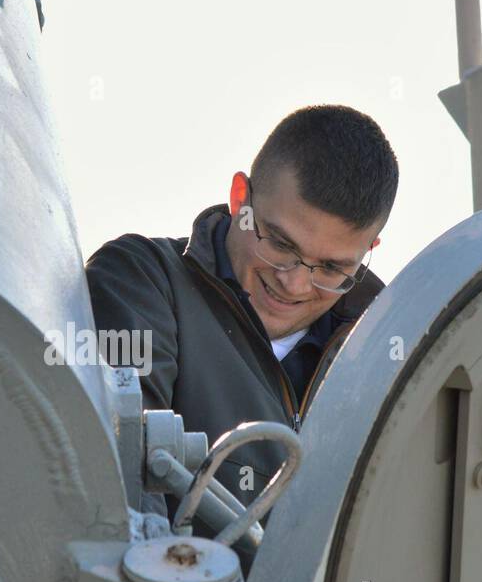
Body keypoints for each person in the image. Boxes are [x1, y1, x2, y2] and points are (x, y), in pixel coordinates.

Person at [85, 104, 398, 539]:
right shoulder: (142, 281)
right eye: (280, 243)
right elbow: (124, 474)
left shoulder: (391, 355)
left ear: (369, 250)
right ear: (240, 199)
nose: (294, 283)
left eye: (331, 269)